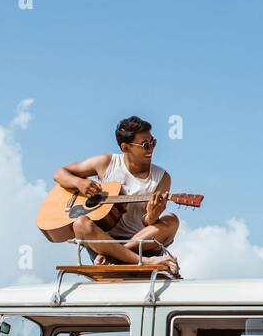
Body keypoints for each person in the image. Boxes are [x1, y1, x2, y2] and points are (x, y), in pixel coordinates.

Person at [54, 116, 179, 272]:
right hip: (102, 243)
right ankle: (143, 261)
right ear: (125, 147)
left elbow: (149, 223)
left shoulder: (162, 177)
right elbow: (60, 173)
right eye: (145, 145)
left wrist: (152, 217)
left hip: (139, 245)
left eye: (153, 143)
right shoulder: (106, 163)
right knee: (79, 224)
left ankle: (117, 255)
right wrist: (79, 183)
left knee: (172, 220)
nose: (151, 149)